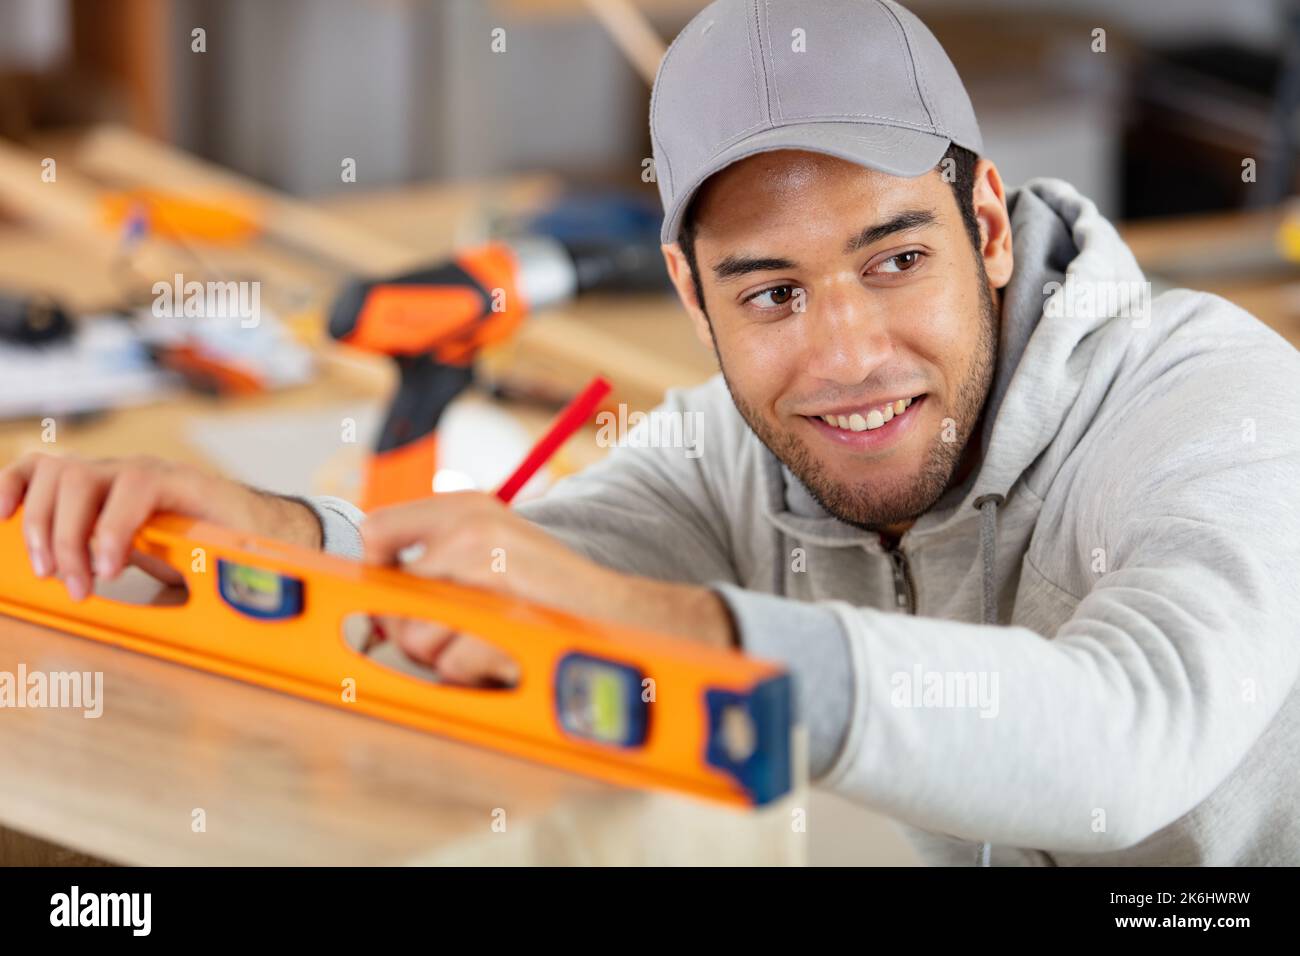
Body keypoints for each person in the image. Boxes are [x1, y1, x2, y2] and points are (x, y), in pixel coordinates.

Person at [3, 0, 1298, 865]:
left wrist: (690, 631)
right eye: (773, 293)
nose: (847, 353)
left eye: (896, 260)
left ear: (993, 228)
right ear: (691, 297)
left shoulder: (1210, 400)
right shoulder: (735, 455)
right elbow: (535, 562)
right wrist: (286, 538)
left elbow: (1127, 734)